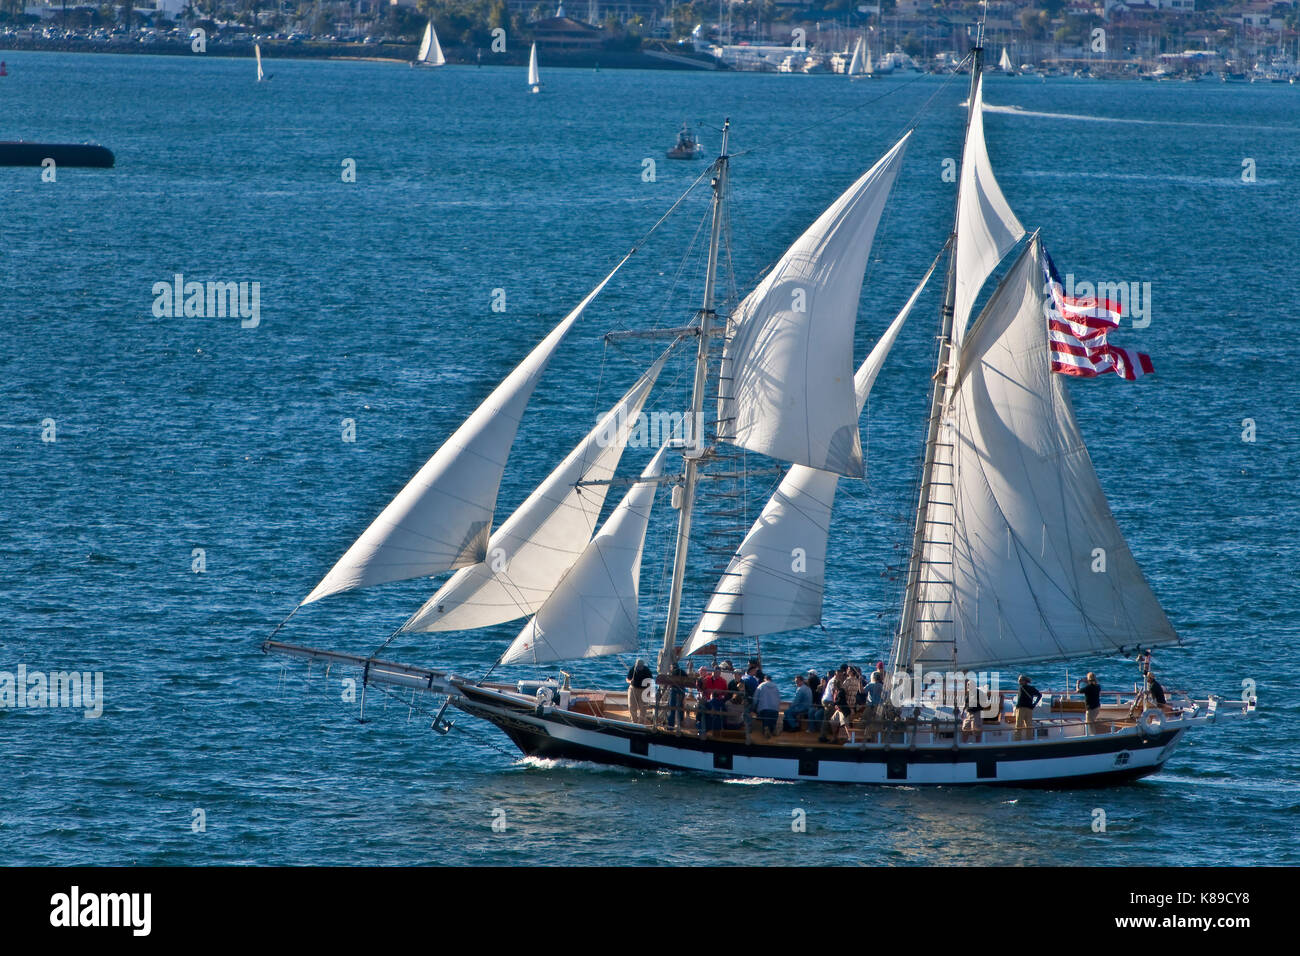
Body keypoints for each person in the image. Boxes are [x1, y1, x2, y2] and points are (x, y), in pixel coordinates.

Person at [753, 673, 782, 738]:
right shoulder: (776, 686)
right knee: (773, 719)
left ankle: (766, 728)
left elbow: (755, 698)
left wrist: (754, 707)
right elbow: (779, 699)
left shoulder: (761, 685)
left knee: (765, 717)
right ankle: (773, 728)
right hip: (775, 710)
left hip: (764, 710)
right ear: (771, 680)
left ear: (764, 679)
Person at [1013, 674, 1042, 741]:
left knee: (1018, 725)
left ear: (1025, 681)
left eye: (1020, 680)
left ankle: (1017, 740)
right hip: (1029, 708)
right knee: (1029, 725)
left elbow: (1039, 695)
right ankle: (1029, 740)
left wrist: (1034, 704)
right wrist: (1034, 704)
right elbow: (1039, 695)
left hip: (1021, 708)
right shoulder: (1031, 688)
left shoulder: (1021, 688)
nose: (1019, 681)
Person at [626, 658, 652, 724]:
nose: (639, 668)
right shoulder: (633, 669)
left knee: (643, 708)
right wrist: (630, 681)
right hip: (633, 688)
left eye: (640, 666)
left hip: (643, 690)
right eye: (638, 666)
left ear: (643, 666)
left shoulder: (647, 670)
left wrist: (649, 691)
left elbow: (650, 682)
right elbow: (627, 679)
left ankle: (641, 722)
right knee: (631, 706)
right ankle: (634, 721)